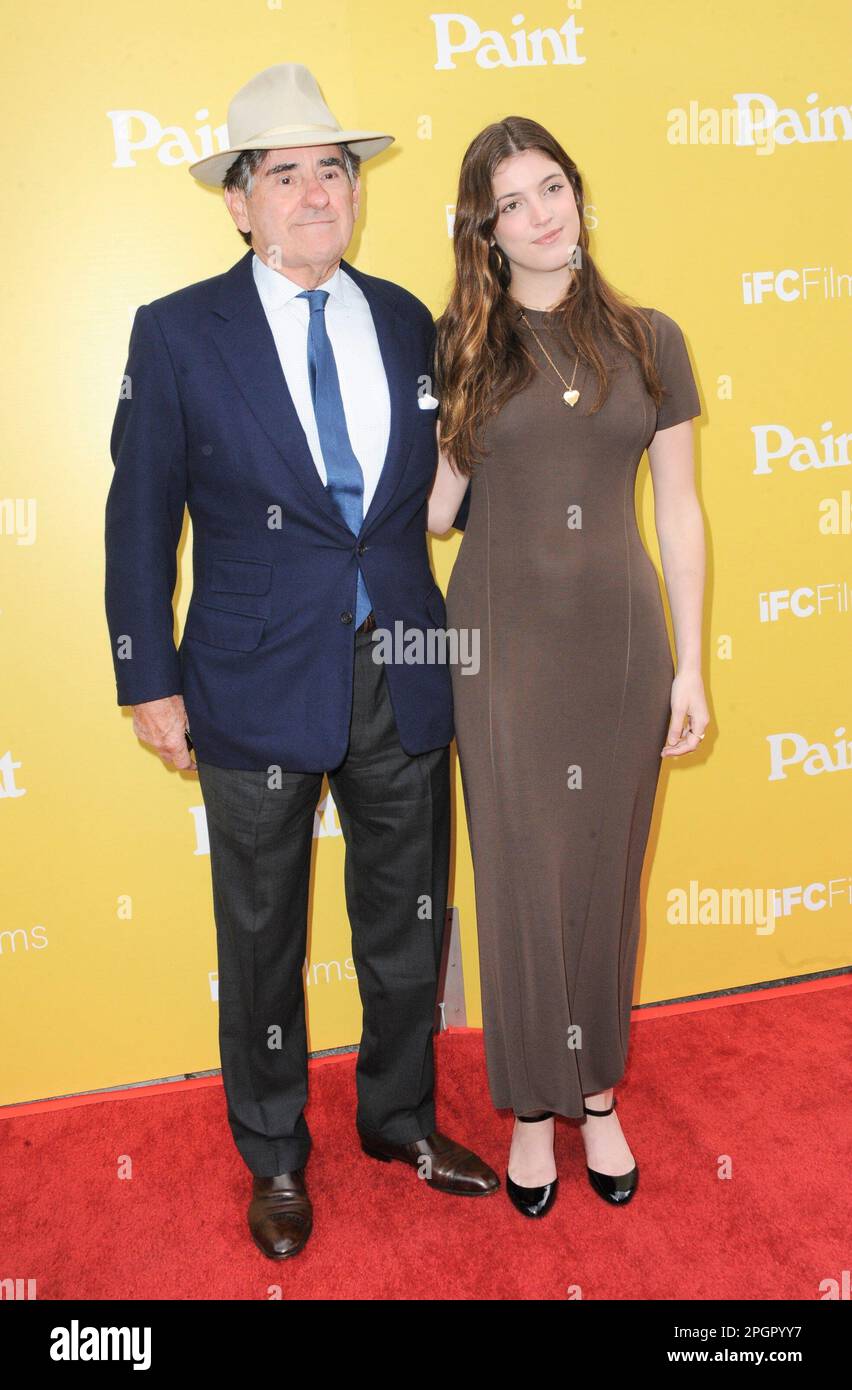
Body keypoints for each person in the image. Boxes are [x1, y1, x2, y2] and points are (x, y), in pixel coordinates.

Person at [104, 62, 498, 1262]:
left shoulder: (403, 318)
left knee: (405, 921)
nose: (319, 192)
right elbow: (140, 517)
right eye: (287, 174)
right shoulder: (175, 334)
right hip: (248, 678)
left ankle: (399, 1120)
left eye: (334, 169)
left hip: (404, 663)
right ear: (240, 201)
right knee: (263, 931)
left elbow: (438, 497)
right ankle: (275, 1154)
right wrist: (146, 675)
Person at [427, 117, 708, 1218]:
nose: (544, 214)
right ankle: (533, 1112)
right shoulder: (464, 342)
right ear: (486, 233)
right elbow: (441, 516)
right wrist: (448, 423)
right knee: (522, 879)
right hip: (502, 650)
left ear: (578, 195)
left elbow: (679, 512)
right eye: (515, 203)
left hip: (622, 642)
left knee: (604, 871)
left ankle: (597, 1097)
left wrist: (690, 666)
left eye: (555, 187)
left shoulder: (652, 337)